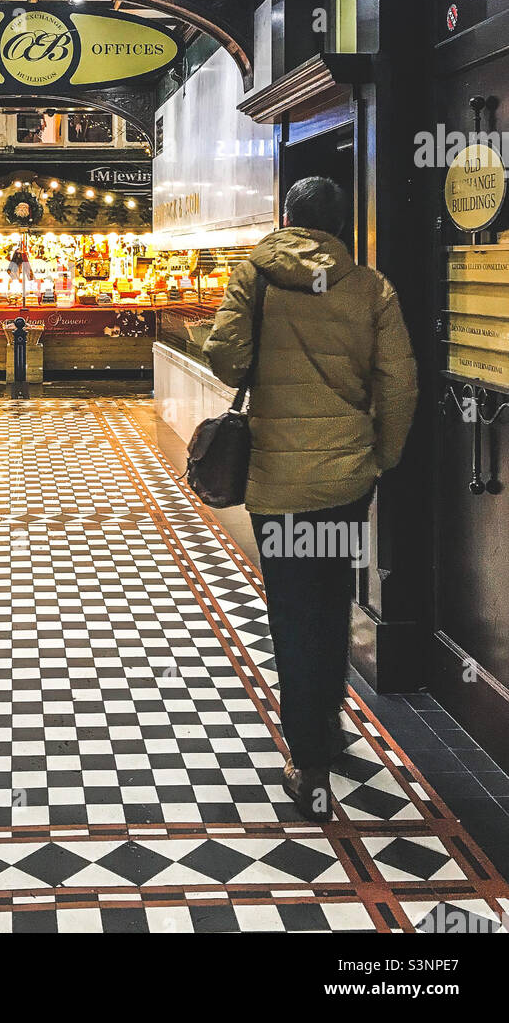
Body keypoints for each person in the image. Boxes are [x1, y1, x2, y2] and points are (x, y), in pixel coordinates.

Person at [203, 177, 418, 822]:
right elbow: (400, 383)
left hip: (279, 483)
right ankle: (327, 722)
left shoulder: (255, 276)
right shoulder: (371, 287)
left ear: (288, 218)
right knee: (332, 602)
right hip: (347, 481)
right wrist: (384, 456)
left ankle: (310, 761)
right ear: (341, 224)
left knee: (294, 612)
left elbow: (224, 359)